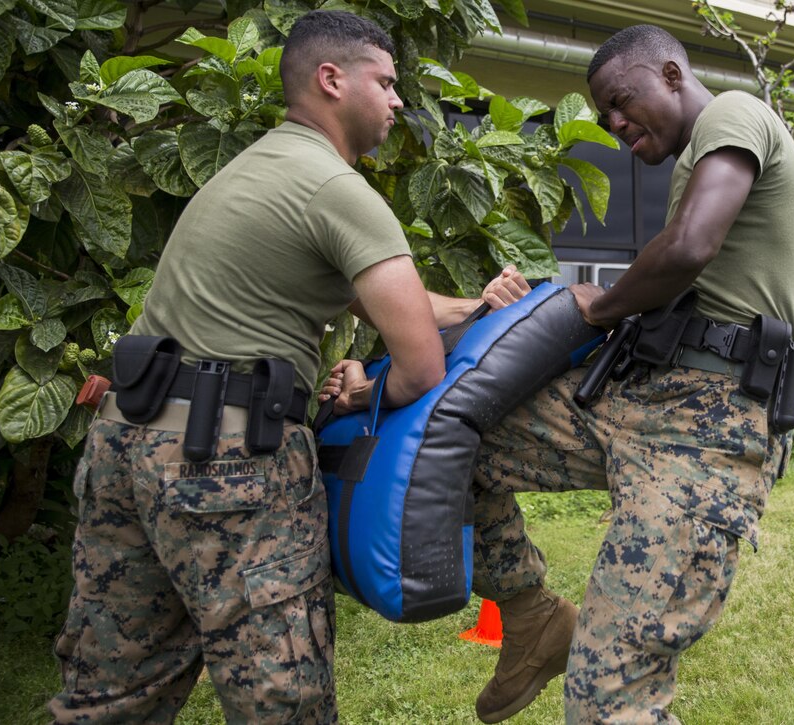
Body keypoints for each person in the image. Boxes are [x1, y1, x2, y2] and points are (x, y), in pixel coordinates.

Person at [48, 10, 528, 724]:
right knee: (284, 703)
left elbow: (398, 301)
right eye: (387, 82)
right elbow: (422, 365)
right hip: (224, 464)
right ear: (331, 80)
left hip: (128, 439)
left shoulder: (261, 169)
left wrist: (477, 304)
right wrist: (368, 389)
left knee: (112, 694)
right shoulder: (339, 190)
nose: (399, 101)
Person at [466, 24, 794, 724]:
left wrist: (603, 305)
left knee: (606, 699)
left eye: (622, 102)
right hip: (641, 397)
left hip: (710, 429)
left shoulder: (736, 114)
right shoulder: (697, 153)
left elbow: (688, 248)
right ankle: (532, 614)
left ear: (672, 75)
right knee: (459, 439)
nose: (616, 123)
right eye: (604, 117)